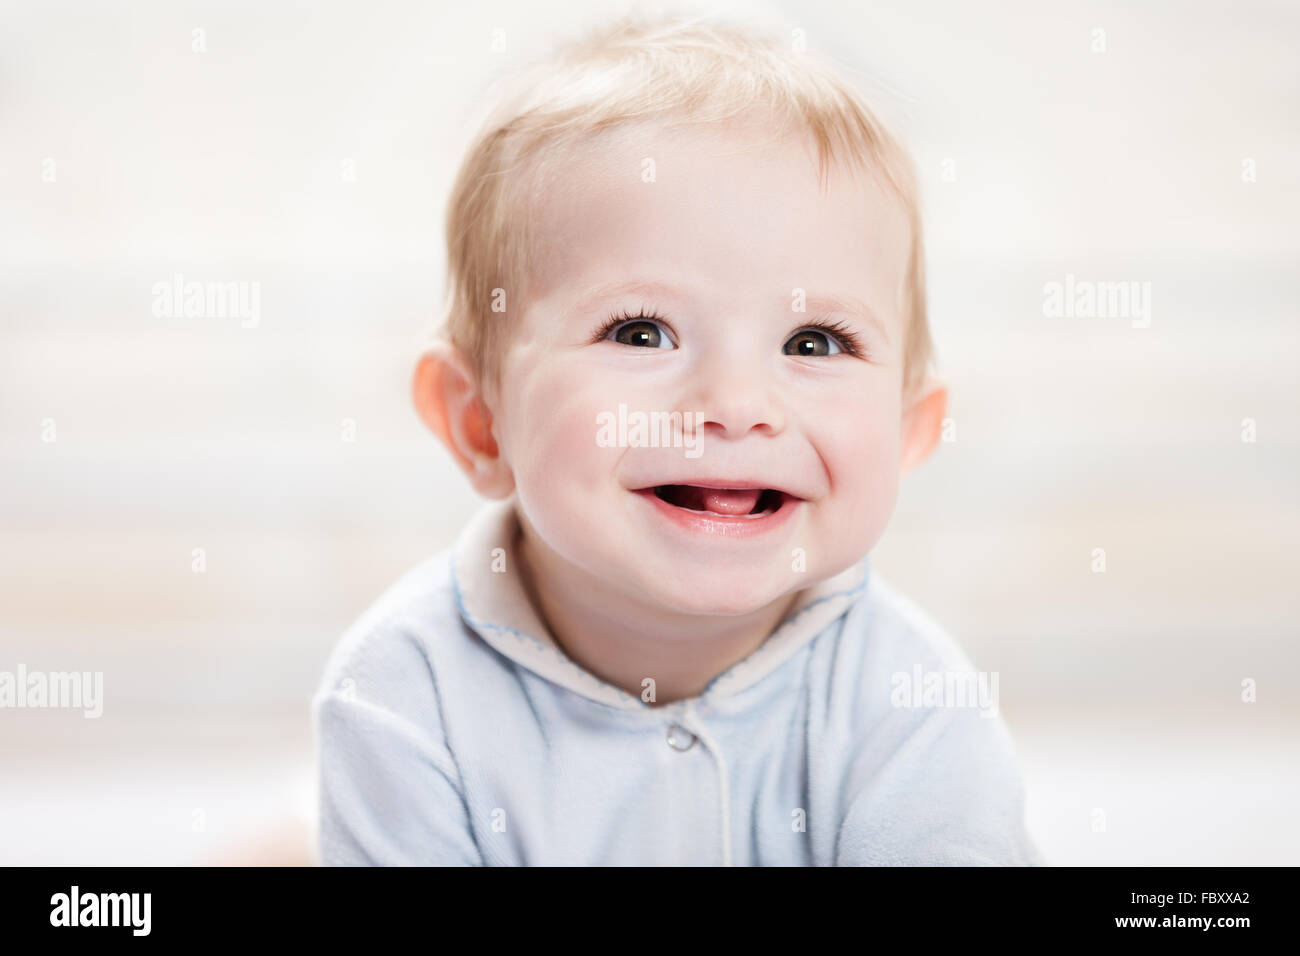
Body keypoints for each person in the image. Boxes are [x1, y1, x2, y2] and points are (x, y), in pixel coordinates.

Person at [312, 12, 1045, 866]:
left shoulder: (912, 705)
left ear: (908, 431)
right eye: (639, 332)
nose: (736, 405)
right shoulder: (403, 694)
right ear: (481, 421)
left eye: (815, 343)